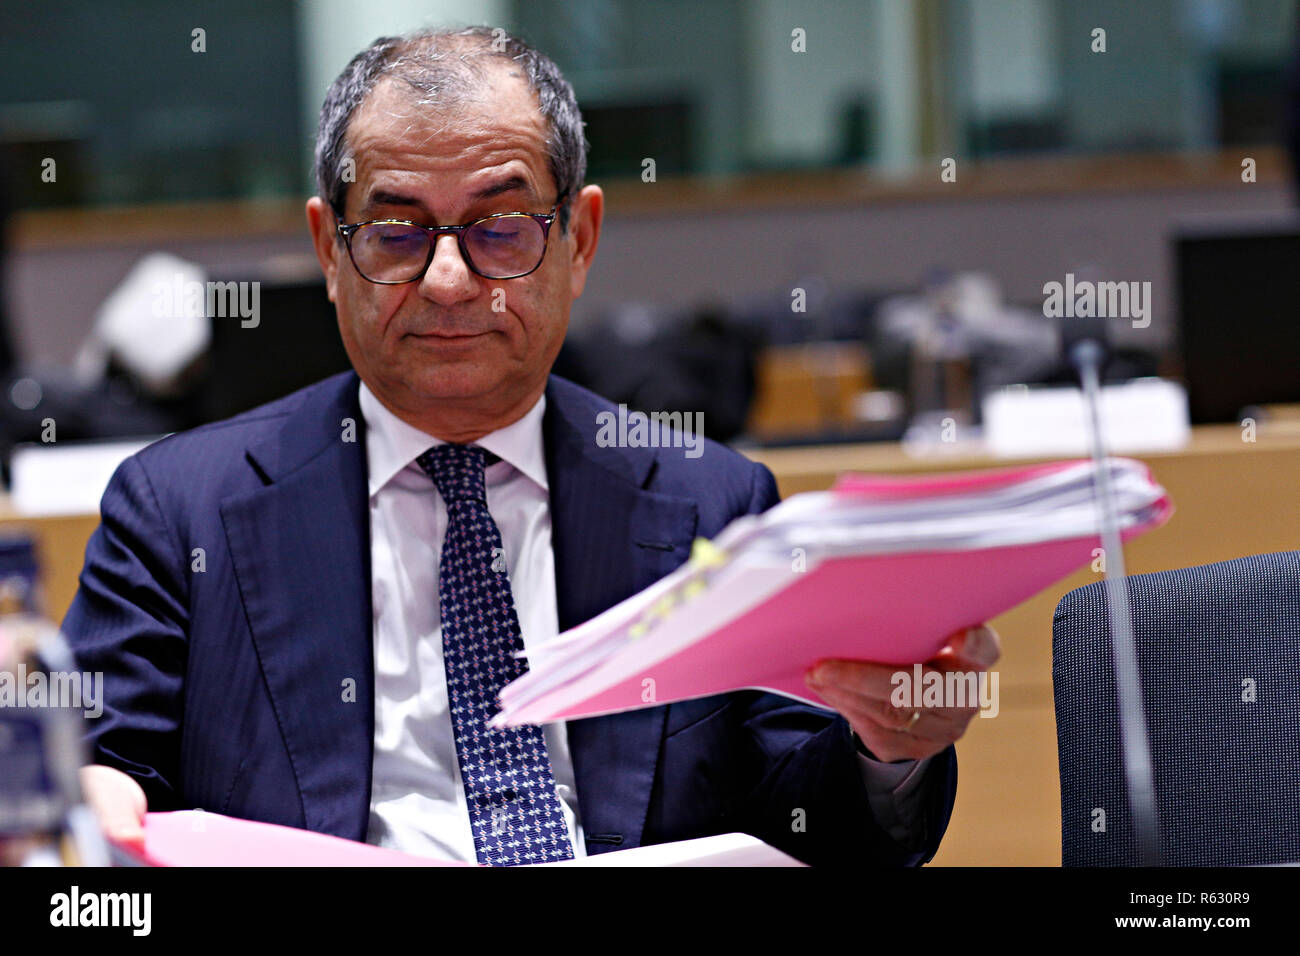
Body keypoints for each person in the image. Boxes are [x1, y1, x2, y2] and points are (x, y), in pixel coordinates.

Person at [66, 26, 999, 867]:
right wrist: (88, 803)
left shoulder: (714, 504)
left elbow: (811, 820)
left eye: (500, 230)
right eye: (395, 234)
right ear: (326, 247)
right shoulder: (179, 509)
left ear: (580, 238)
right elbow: (98, 768)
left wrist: (892, 749)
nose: (445, 281)